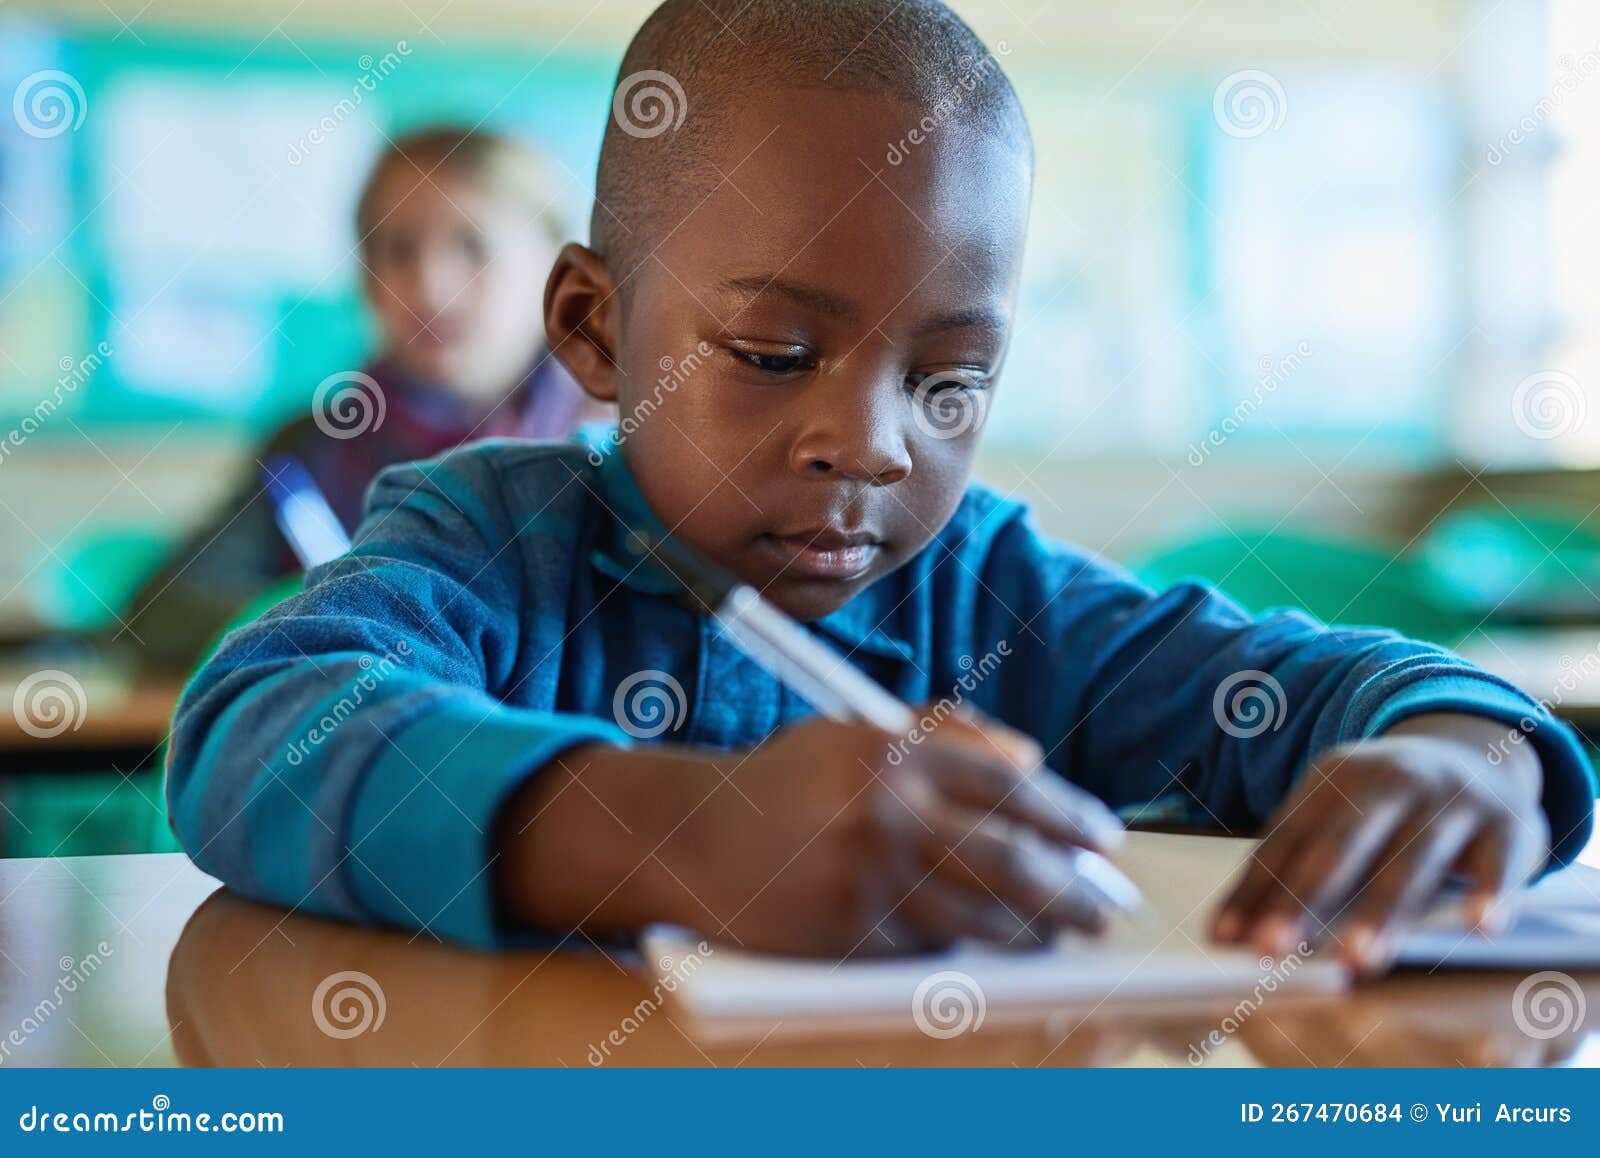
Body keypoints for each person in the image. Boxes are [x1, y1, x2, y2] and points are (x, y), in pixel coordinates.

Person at [167, 0, 1594, 977]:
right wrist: (680, 832)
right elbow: (251, 730)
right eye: (776, 352)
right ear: (597, 329)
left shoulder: (993, 595)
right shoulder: (491, 540)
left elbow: (1305, 683)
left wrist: (1471, 749)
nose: (877, 445)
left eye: (953, 380)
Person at [124, 126, 607, 670]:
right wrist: (349, 619)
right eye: (397, 250)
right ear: (366, 279)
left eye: (473, 246)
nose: (430, 285)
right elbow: (160, 612)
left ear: (558, 270)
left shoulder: (621, 441)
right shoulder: (315, 444)